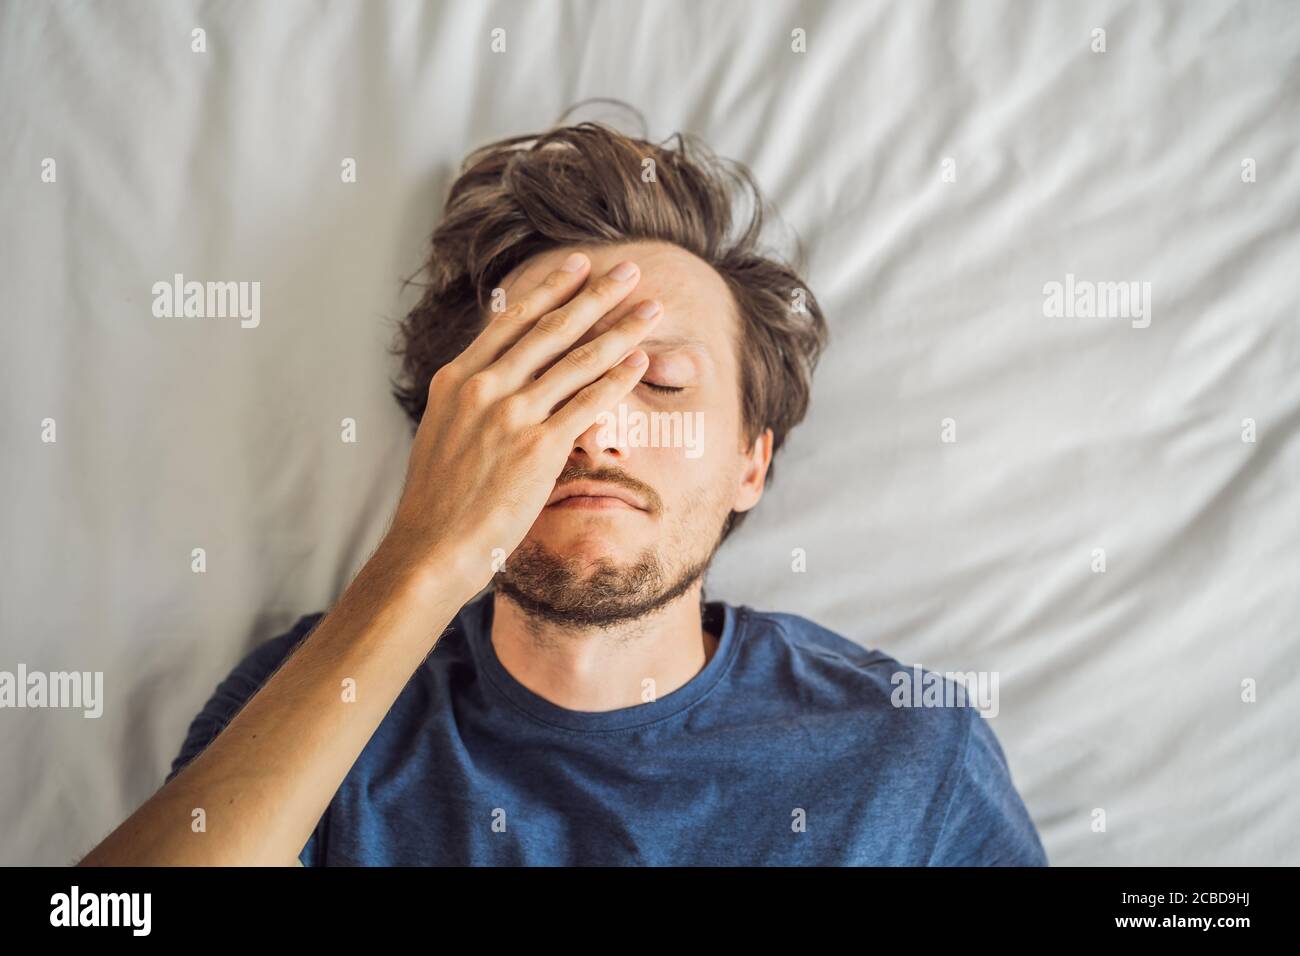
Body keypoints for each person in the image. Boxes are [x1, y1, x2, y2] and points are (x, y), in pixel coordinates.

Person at [79, 120, 1047, 866]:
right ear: (455, 434)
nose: (598, 426)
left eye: (661, 382)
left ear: (752, 461)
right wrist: (424, 554)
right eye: (544, 380)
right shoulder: (312, 702)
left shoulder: (907, 751)